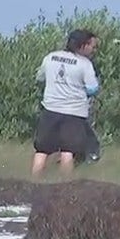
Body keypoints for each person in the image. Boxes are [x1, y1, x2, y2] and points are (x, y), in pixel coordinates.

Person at [32, 29, 101, 177]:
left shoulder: (50, 57)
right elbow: (93, 89)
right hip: (74, 113)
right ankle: (65, 185)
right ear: (83, 45)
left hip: (50, 110)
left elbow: (39, 78)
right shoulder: (84, 64)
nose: (94, 50)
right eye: (92, 46)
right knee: (68, 151)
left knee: (42, 150)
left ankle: (34, 181)